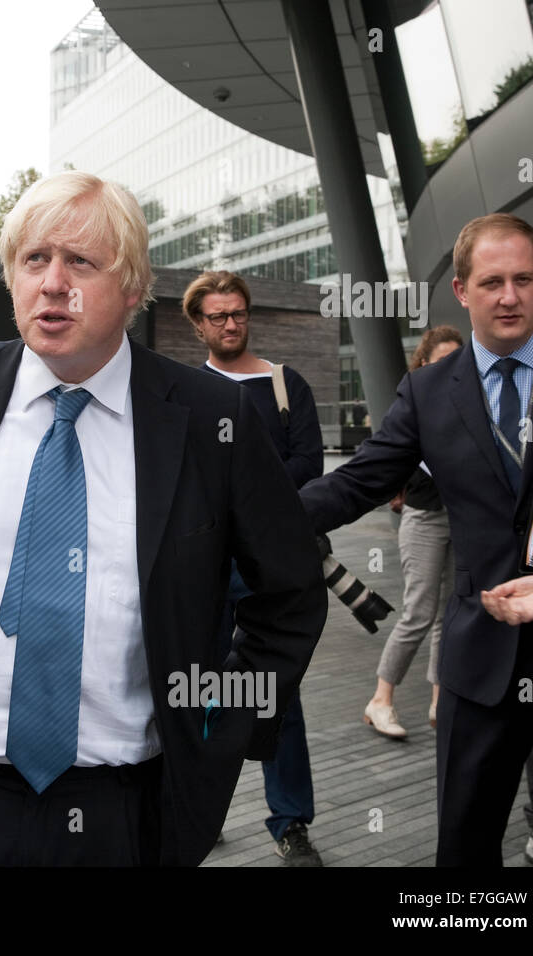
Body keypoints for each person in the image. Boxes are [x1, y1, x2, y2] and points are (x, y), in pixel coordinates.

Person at [0, 170, 326, 866]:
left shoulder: (210, 420)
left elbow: (288, 592)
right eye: (34, 259)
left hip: (126, 809)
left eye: (81, 261)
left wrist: (220, 723)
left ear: (133, 289)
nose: (53, 282)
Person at [299, 213, 533, 866]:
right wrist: (254, 517)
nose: (509, 296)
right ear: (460, 290)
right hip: (478, 661)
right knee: (464, 854)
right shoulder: (428, 392)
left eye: (523, 279)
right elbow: (359, 481)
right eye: (491, 282)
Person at [184, 269, 325, 866]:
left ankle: (290, 823)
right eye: (218, 316)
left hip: (268, 569)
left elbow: (309, 462)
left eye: (238, 313)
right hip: (205, 568)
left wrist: (250, 499)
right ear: (199, 325)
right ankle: (198, 809)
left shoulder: (284, 384)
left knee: (276, 694)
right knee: (196, 690)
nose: (230, 324)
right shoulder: (186, 392)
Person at [363, 326, 463, 739]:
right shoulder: (417, 403)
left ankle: (440, 701)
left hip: (457, 519)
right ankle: (380, 699)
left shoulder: (469, 404)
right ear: (422, 365)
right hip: (423, 518)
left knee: (447, 615)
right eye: (442, 362)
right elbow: (387, 459)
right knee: (419, 612)